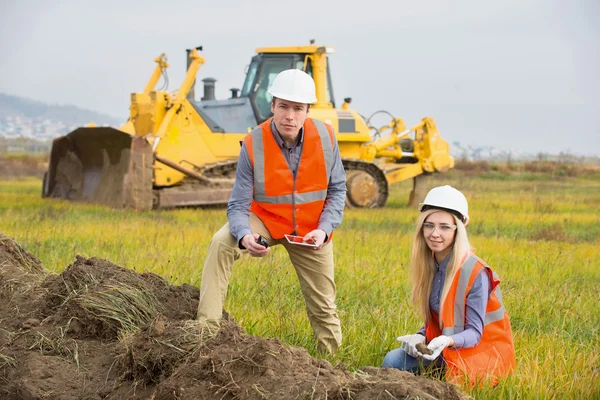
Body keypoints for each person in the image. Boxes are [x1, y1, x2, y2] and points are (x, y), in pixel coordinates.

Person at [197, 69, 347, 354]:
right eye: (284, 107)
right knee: (221, 242)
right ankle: (206, 333)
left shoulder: (327, 137)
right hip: (264, 221)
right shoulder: (253, 143)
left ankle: (332, 361)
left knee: (324, 303)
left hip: (311, 230)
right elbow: (238, 205)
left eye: (297, 109)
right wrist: (243, 236)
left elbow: (338, 190)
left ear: (307, 112)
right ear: (273, 106)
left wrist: (324, 229)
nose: (290, 116)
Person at [382, 185, 516, 386]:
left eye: (444, 227)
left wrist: (447, 341)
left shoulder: (475, 272)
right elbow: (443, 317)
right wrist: (419, 337)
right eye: (429, 225)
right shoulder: (430, 264)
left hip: (481, 353)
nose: (435, 233)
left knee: (452, 388)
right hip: (445, 349)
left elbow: (475, 333)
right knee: (393, 361)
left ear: (458, 229)